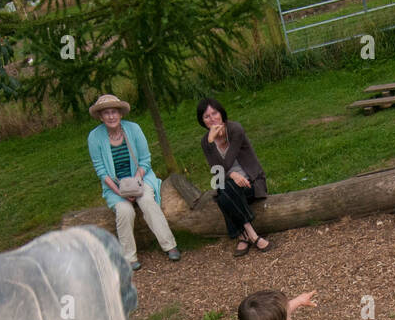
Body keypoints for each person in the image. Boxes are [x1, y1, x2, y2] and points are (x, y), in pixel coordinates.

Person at [86, 93, 179, 270]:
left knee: (147, 201)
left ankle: (169, 245)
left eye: (114, 112)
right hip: (114, 186)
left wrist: (135, 186)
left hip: (140, 177)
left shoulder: (134, 129)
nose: (111, 116)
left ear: (120, 113)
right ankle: (129, 256)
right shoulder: (94, 137)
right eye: (106, 113)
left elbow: (145, 160)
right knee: (124, 210)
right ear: (100, 116)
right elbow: (101, 171)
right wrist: (122, 191)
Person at [198, 97, 270, 257]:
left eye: (214, 113)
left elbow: (227, 162)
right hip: (229, 185)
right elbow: (216, 170)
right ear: (202, 121)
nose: (212, 119)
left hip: (251, 182)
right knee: (225, 190)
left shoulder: (235, 129)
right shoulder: (206, 141)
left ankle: (242, 236)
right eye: (206, 116)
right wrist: (232, 174)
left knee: (223, 194)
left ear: (221, 113)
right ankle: (251, 234)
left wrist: (232, 174)